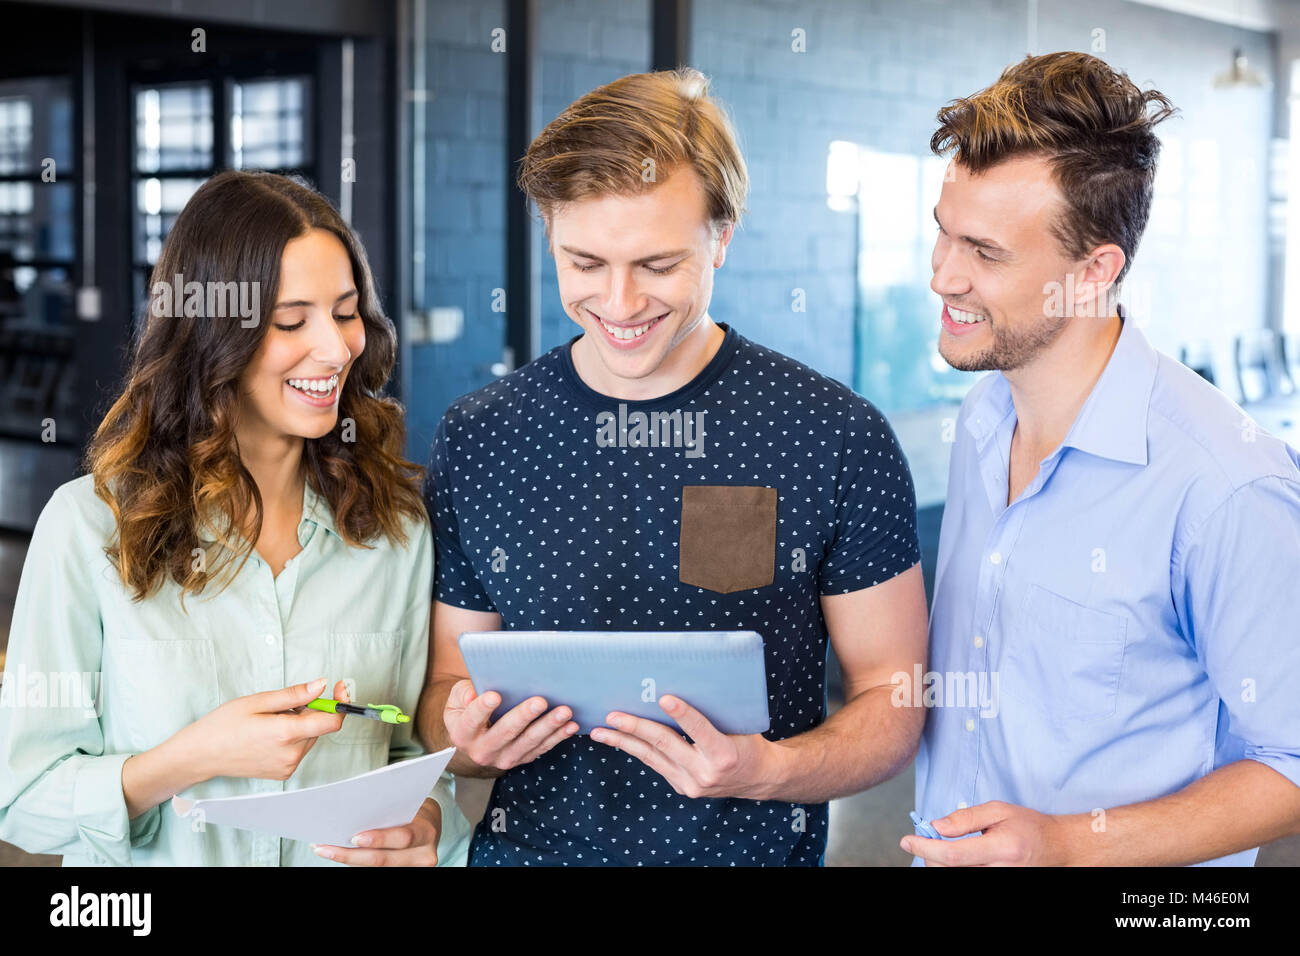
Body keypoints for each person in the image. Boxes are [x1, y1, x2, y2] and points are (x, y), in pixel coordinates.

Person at [417, 68, 929, 866]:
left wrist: (772, 770)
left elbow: (891, 698)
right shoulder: (479, 437)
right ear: (548, 229)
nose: (619, 304)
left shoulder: (834, 436)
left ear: (723, 237)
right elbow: (445, 686)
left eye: (658, 266)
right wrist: (468, 739)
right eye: (584, 263)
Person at [0, 170, 472, 866]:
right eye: (290, 321)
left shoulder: (392, 529)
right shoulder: (88, 529)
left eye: (345, 313)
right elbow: (23, 801)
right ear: (210, 333)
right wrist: (188, 758)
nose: (337, 348)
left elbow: (402, 749)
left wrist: (431, 823)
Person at [907, 52, 1300, 866]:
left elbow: (1292, 762)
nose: (943, 274)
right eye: (942, 232)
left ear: (1093, 274)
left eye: (985, 252)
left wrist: (1061, 846)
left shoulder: (1227, 489)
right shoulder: (984, 415)